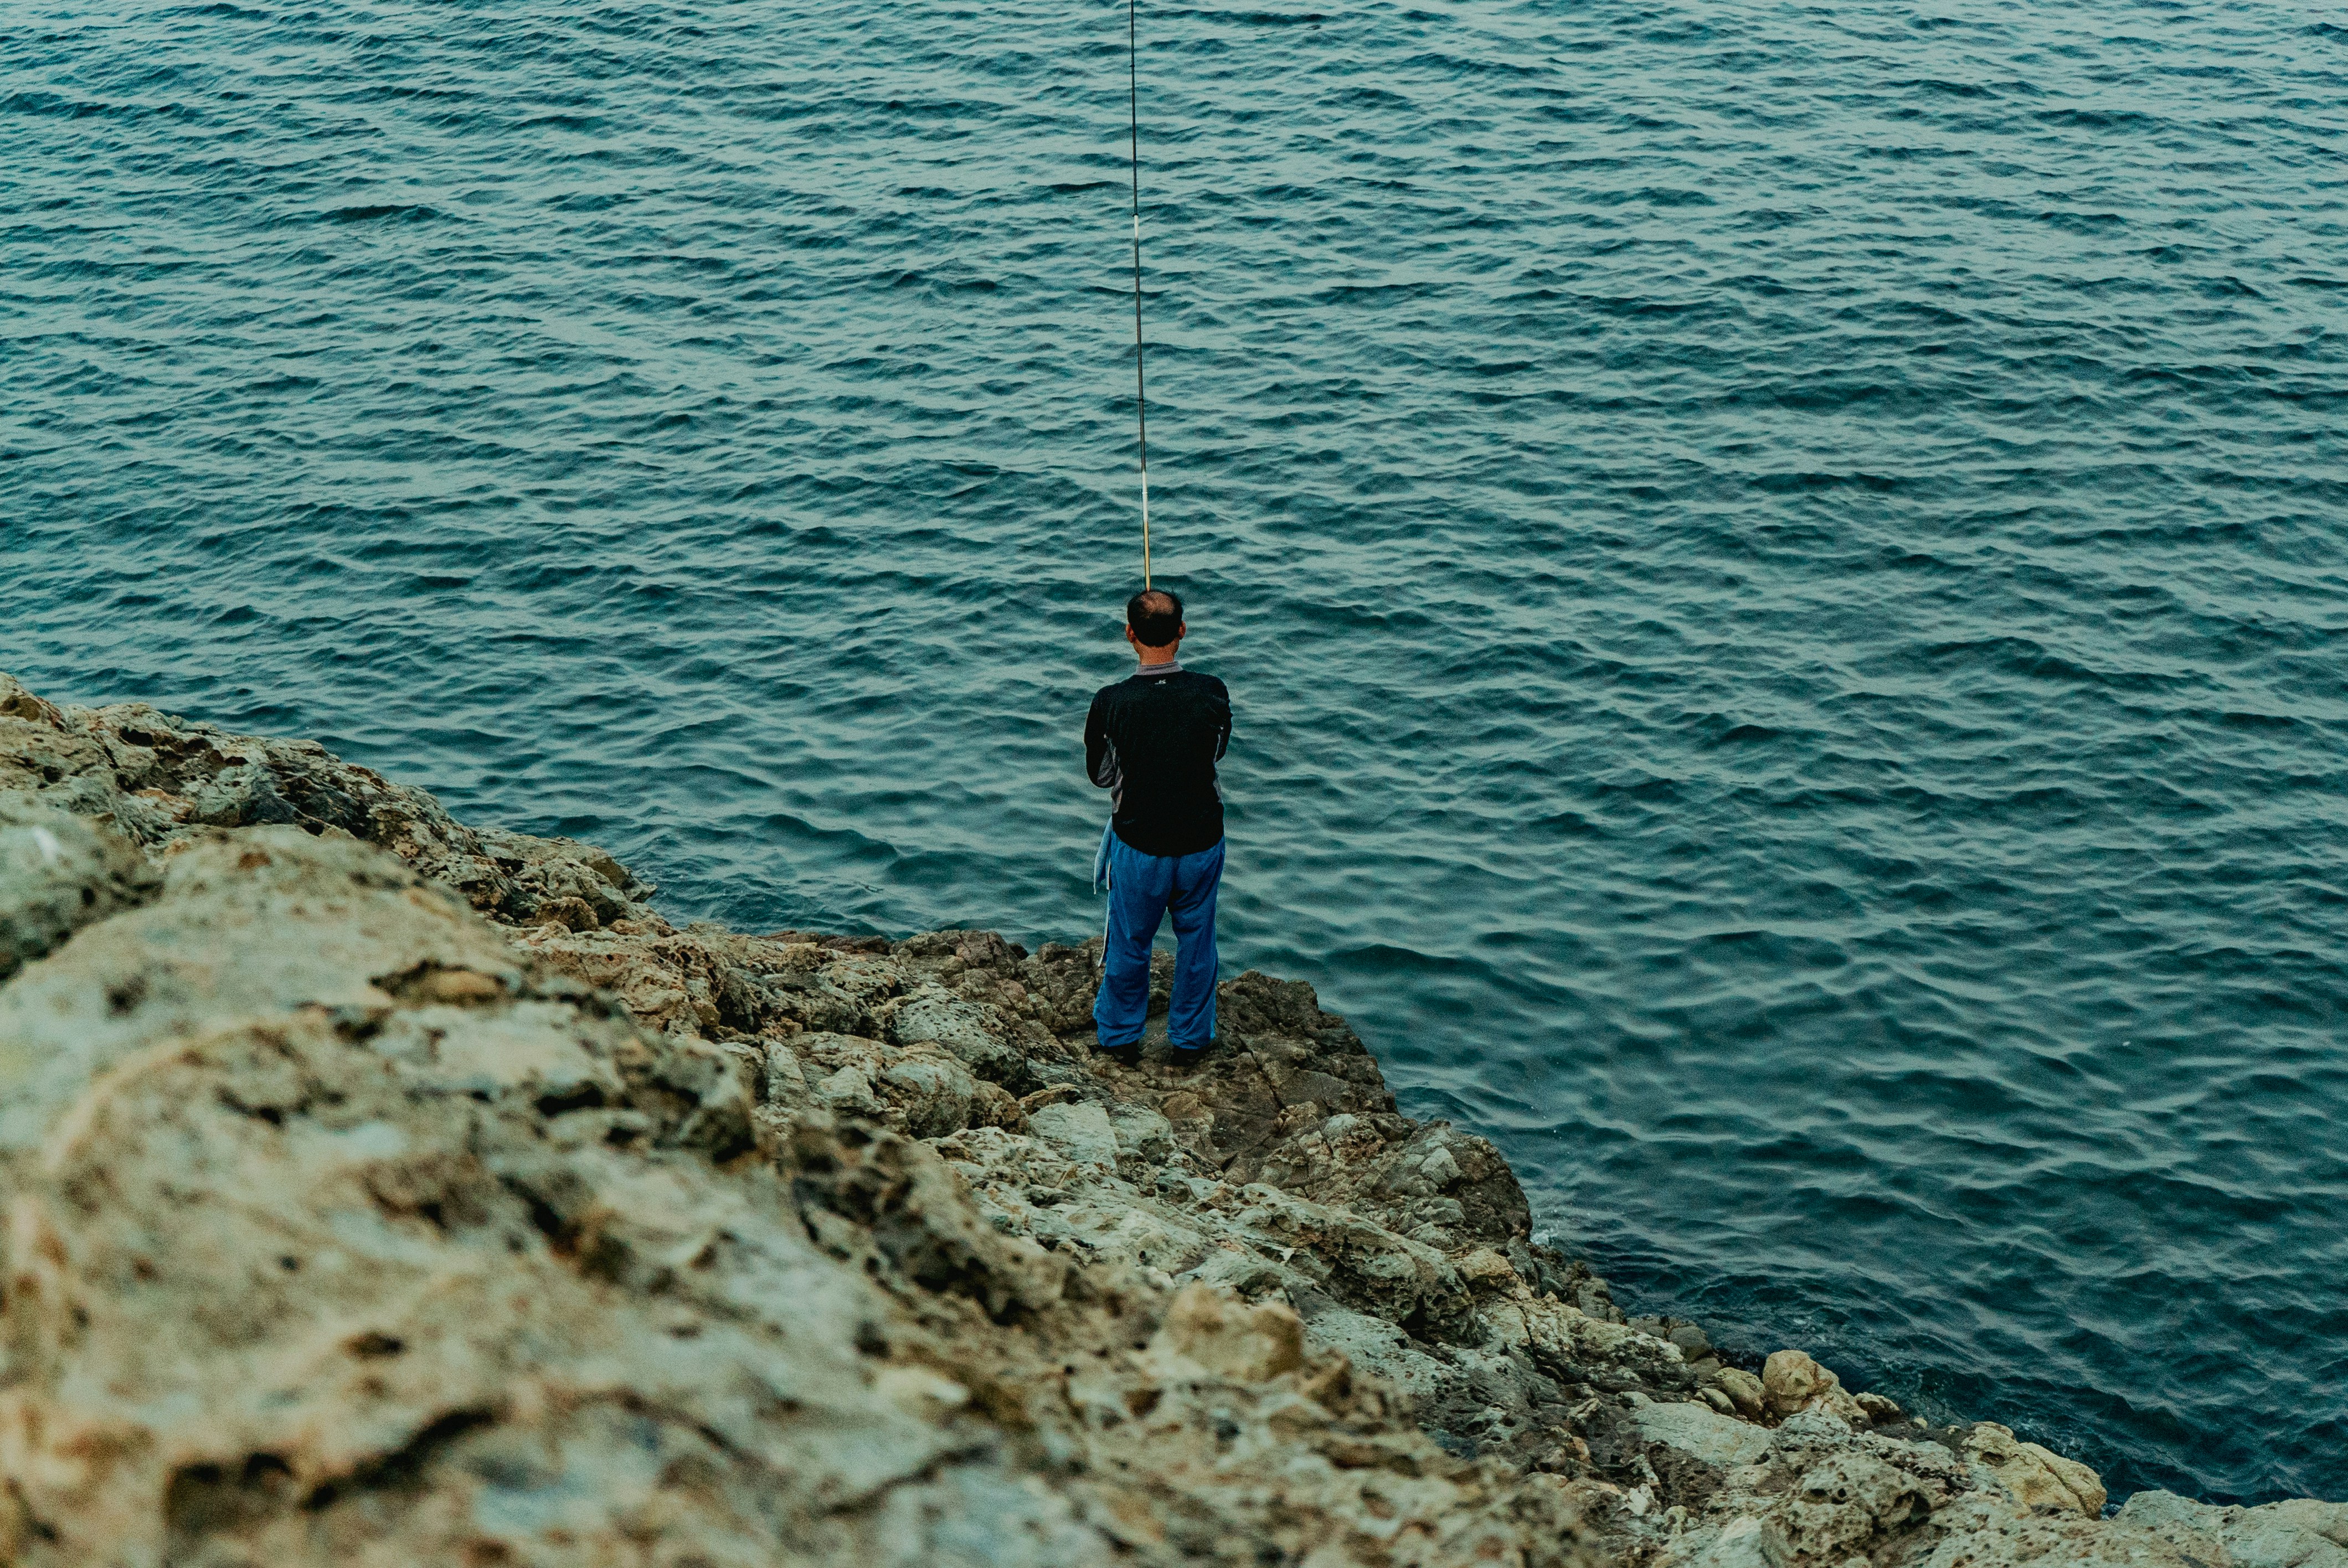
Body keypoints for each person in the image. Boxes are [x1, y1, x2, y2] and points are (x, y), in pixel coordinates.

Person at [1085, 587, 1231, 1061]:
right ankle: (1190, 1040)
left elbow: (1101, 774)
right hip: (1201, 840)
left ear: (1130, 635)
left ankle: (1121, 1038)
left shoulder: (1111, 701)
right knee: (1198, 941)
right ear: (1182, 631)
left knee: (1131, 941)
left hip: (1140, 843)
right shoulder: (1213, 691)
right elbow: (1215, 754)